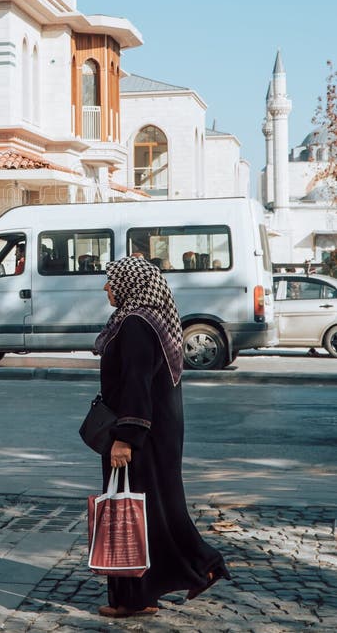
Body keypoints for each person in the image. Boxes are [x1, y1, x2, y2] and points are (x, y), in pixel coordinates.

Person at [94, 256, 229, 618]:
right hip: (157, 433)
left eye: (111, 281)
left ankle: (140, 595)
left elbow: (136, 384)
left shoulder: (136, 324)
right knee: (155, 511)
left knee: (137, 512)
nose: (106, 288)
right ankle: (157, 587)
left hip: (142, 436)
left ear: (131, 285)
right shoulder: (145, 319)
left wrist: (126, 437)